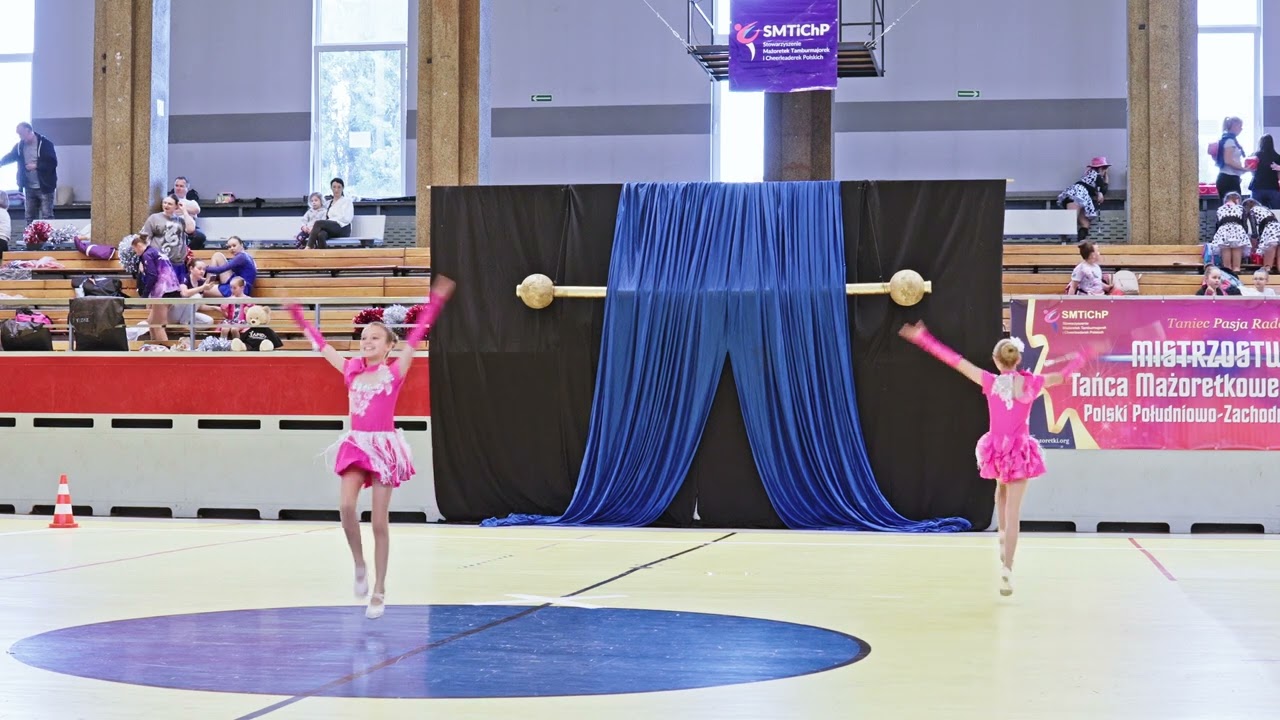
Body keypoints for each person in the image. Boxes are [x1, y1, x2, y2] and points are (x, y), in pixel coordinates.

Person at [284, 275, 455, 619]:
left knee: (379, 522)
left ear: (388, 345)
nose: (367, 342)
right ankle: (359, 564)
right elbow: (323, 348)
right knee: (346, 507)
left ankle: (380, 589)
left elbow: (417, 336)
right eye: (364, 337)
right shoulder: (350, 370)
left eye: (375, 338)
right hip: (356, 443)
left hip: (385, 448)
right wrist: (301, 319)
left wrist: (434, 303)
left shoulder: (395, 371)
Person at [898, 321, 1086, 596]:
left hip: (998, 450)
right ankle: (1007, 568)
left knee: (1001, 488)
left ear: (997, 361)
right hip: (1019, 451)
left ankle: (1002, 542)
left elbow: (955, 360)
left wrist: (923, 338)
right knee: (1012, 510)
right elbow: (1063, 377)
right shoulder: (1032, 383)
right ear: (1018, 359)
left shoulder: (990, 381)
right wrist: (1080, 358)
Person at [0, 122, 58, 223]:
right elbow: (11, 156)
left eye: (21, 134)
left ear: (28, 131)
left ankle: (48, 238)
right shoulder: (20, 146)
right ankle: (30, 238)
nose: (20, 137)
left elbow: (52, 162)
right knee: (29, 217)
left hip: (45, 187)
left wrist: (36, 166)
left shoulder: (45, 144)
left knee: (47, 216)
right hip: (29, 187)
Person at [1055, 157, 1110, 241]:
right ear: (1100, 168)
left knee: (1085, 223)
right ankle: (1063, 241)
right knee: (1070, 220)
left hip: (1077, 196)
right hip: (1077, 195)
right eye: (1105, 168)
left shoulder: (1089, 174)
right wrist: (1106, 180)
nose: (1106, 171)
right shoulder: (1096, 175)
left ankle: (1079, 243)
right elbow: (1103, 189)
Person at [305, 178, 354, 248]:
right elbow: (321, 214)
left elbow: (347, 218)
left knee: (319, 223)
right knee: (320, 235)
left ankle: (309, 246)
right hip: (331, 229)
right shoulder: (328, 203)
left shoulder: (347, 201)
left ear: (343, 188)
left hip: (342, 227)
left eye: (339, 187)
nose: (336, 190)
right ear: (331, 188)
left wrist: (327, 222)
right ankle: (324, 256)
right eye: (334, 187)